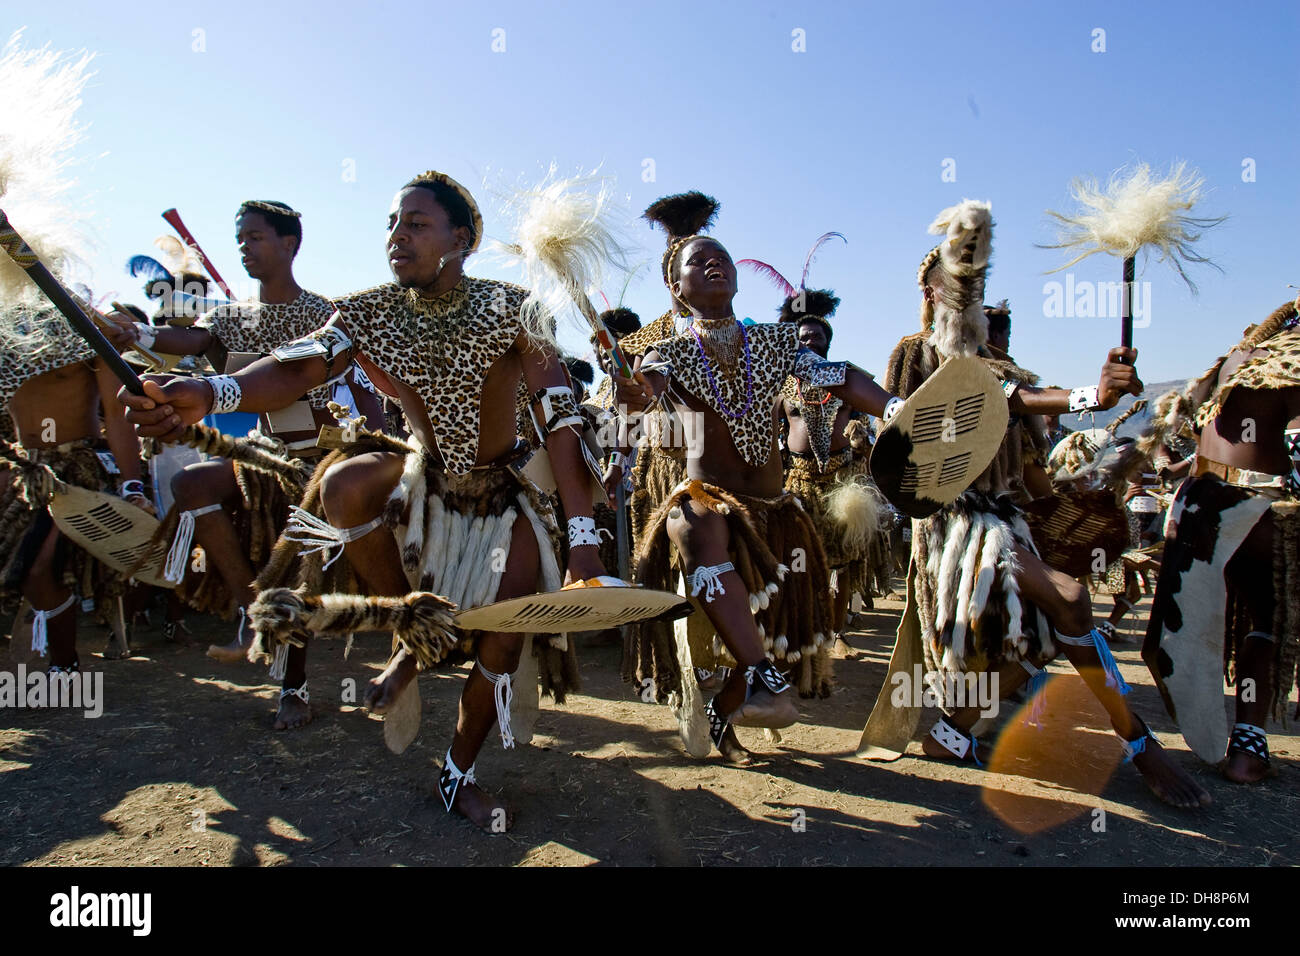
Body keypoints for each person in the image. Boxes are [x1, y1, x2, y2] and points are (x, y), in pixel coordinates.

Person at [122, 171, 606, 830]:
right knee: (346, 480)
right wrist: (211, 395)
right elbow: (299, 365)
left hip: (501, 492)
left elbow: (563, 427)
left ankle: (458, 774)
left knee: (503, 639)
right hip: (420, 481)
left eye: (416, 224)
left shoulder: (515, 308)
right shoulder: (366, 312)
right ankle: (411, 625)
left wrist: (583, 546)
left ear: (460, 239)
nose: (397, 237)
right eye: (390, 224)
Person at [862, 199, 1211, 809]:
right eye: (953, 282)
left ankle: (951, 735)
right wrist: (1085, 395)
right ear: (929, 289)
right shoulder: (913, 355)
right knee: (1072, 602)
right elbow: (987, 399)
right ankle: (1139, 744)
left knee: (1039, 635)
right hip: (953, 523)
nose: (965, 297)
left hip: (1007, 519)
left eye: (975, 287)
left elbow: (1022, 445)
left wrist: (1074, 488)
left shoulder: (1003, 366)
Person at [615, 202, 899, 764]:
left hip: (777, 508)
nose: (714, 262)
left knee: (769, 632)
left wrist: (894, 406)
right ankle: (762, 677)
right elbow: (645, 390)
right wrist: (634, 394)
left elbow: (835, 376)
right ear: (677, 286)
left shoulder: (773, 342)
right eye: (699, 260)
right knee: (690, 519)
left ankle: (733, 702)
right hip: (711, 499)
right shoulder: (666, 352)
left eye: (721, 256)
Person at [107, 201, 383, 663]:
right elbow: (191, 340)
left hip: (323, 457)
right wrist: (138, 334)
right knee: (190, 483)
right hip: (264, 456)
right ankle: (248, 609)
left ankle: (293, 687)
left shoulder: (326, 314)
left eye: (255, 237)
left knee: (297, 561)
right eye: (240, 239)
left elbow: (362, 390)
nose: (243, 247)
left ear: (289, 243)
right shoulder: (231, 317)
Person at [1144, 296, 1300, 784]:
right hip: (1261, 514)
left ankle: (1243, 744)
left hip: (1204, 512)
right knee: (1272, 626)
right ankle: (1247, 753)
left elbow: (1204, 441)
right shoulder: (1292, 357)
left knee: (1245, 622)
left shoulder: (1234, 360)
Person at [778, 289, 888, 654]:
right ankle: (805, 632)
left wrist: (862, 441)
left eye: (816, 336)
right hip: (798, 480)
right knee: (800, 563)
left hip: (843, 483)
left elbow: (871, 422)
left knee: (842, 566)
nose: (810, 341)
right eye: (803, 336)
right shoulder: (782, 387)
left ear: (828, 341)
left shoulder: (847, 379)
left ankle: (837, 633)